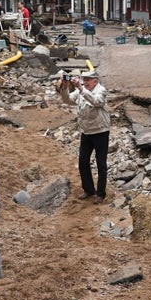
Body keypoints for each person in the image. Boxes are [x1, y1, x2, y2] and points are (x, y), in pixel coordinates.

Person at [58, 69, 110, 204]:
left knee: (101, 164)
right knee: (83, 162)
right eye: (83, 79)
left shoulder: (101, 90)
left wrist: (81, 88)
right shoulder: (81, 91)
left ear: (95, 81)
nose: (85, 82)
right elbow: (68, 101)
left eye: (87, 80)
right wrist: (64, 87)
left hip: (100, 132)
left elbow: (97, 101)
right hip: (86, 132)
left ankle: (100, 193)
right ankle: (88, 189)